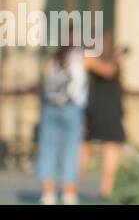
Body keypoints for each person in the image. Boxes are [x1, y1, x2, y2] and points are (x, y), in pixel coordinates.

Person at [35, 43, 89, 204]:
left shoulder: (52, 57)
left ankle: (48, 194)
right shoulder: (81, 57)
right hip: (71, 107)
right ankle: (69, 193)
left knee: (47, 149)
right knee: (71, 150)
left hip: (50, 106)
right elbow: (106, 69)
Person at [81, 33, 128, 199]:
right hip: (94, 109)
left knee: (110, 148)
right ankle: (72, 186)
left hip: (108, 109)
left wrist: (116, 58)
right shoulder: (92, 61)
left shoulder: (112, 63)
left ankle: (105, 190)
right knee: (83, 147)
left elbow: (109, 71)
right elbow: (101, 68)